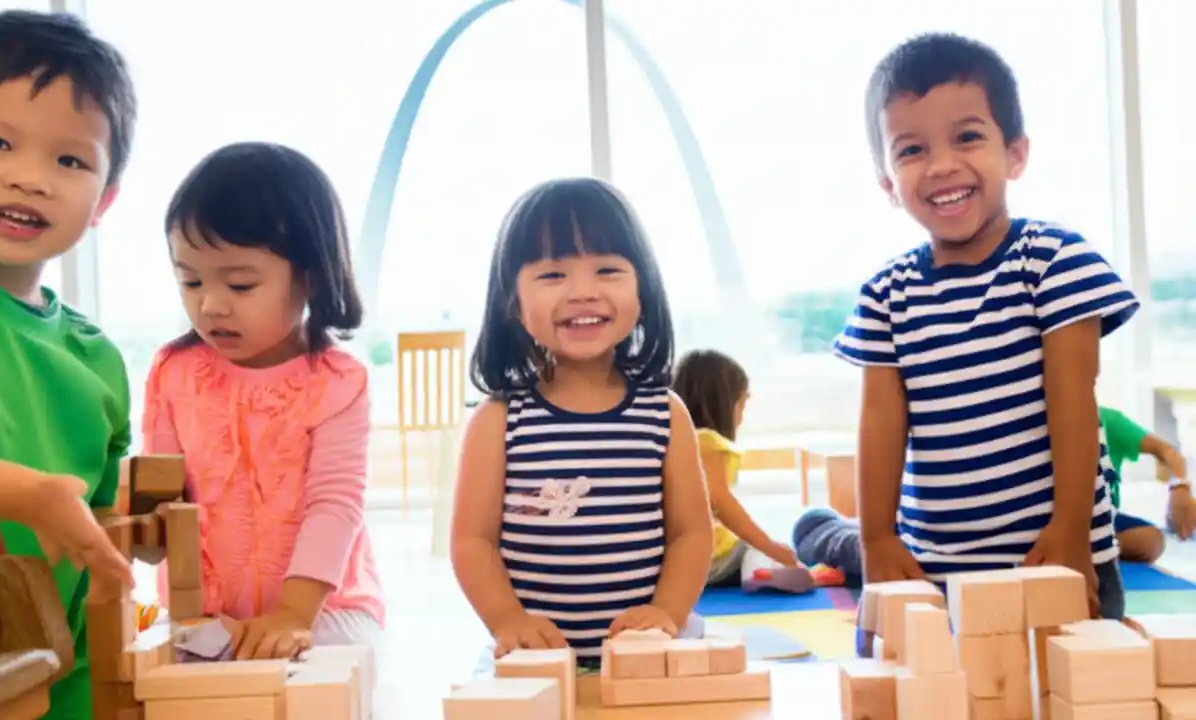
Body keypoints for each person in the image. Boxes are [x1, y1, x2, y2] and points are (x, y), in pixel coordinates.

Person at [833, 33, 1139, 620]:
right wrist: (876, 538)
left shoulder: (1053, 260)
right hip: (936, 568)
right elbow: (879, 423)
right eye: (911, 150)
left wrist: (1072, 530)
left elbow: (1073, 398)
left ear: (1015, 153)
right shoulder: (885, 296)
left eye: (968, 137)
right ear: (887, 184)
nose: (943, 165)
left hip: (1058, 554)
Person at [0, 11, 138, 717]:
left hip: (61, 687)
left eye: (70, 160)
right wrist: (26, 493)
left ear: (103, 199)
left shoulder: (98, 360)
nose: (30, 178)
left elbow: (102, 539)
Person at [450, 177, 712, 664]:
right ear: (513, 302)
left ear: (644, 289)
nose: (583, 293)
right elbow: (472, 541)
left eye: (608, 270)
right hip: (535, 660)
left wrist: (666, 612)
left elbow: (691, 533)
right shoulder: (500, 420)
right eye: (553, 275)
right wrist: (507, 620)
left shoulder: (664, 412)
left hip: (647, 657)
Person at [141, 142, 382, 660]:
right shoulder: (173, 372)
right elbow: (159, 494)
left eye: (241, 283)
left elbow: (335, 505)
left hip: (326, 610)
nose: (210, 304)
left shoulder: (337, 382)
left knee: (331, 676)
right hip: (205, 617)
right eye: (190, 280)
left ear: (311, 276)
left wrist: (293, 616)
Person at [671, 349, 802, 588]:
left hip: (672, 559)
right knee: (756, 550)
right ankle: (761, 573)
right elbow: (721, 502)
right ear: (725, 402)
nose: (742, 413)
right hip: (706, 559)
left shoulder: (672, 440)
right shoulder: (708, 442)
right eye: (743, 402)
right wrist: (770, 546)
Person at [1099, 406, 1196, 562]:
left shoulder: (1108, 421)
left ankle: (1092, 548)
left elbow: (1167, 451)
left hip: (1102, 521)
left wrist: (1180, 487)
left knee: (1151, 541)